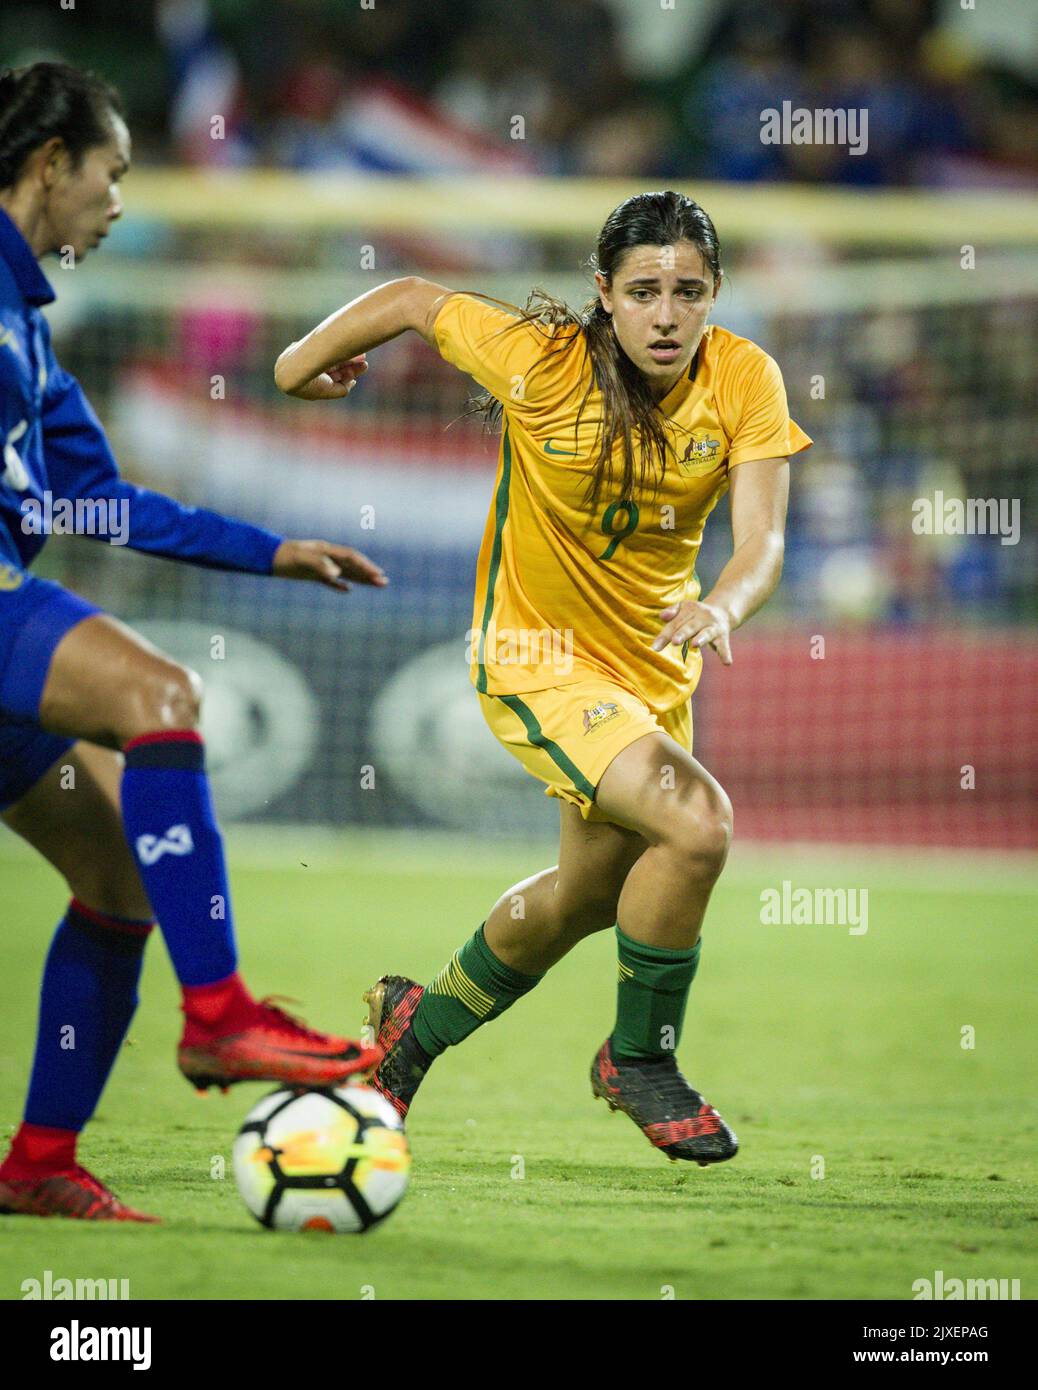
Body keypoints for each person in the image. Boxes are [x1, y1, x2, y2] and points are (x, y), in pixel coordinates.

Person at [275, 189, 811, 1165]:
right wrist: (296, 366)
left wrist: (721, 609)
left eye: (688, 291)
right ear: (603, 292)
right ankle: (640, 1059)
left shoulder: (744, 378)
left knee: (586, 898)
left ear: (715, 296)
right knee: (698, 823)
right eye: (643, 289)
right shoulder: (540, 358)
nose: (666, 312)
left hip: (653, 672)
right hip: (535, 661)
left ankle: (409, 1035)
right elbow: (408, 297)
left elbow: (764, 541)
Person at [0, 62, 384, 1222]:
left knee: (118, 873)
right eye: (112, 175)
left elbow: (102, 503)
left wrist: (272, 550)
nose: (120, 203)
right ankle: (218, 1015)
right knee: (159, 693)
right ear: (52, 163)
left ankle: (38, 1162)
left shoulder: (29, 339)